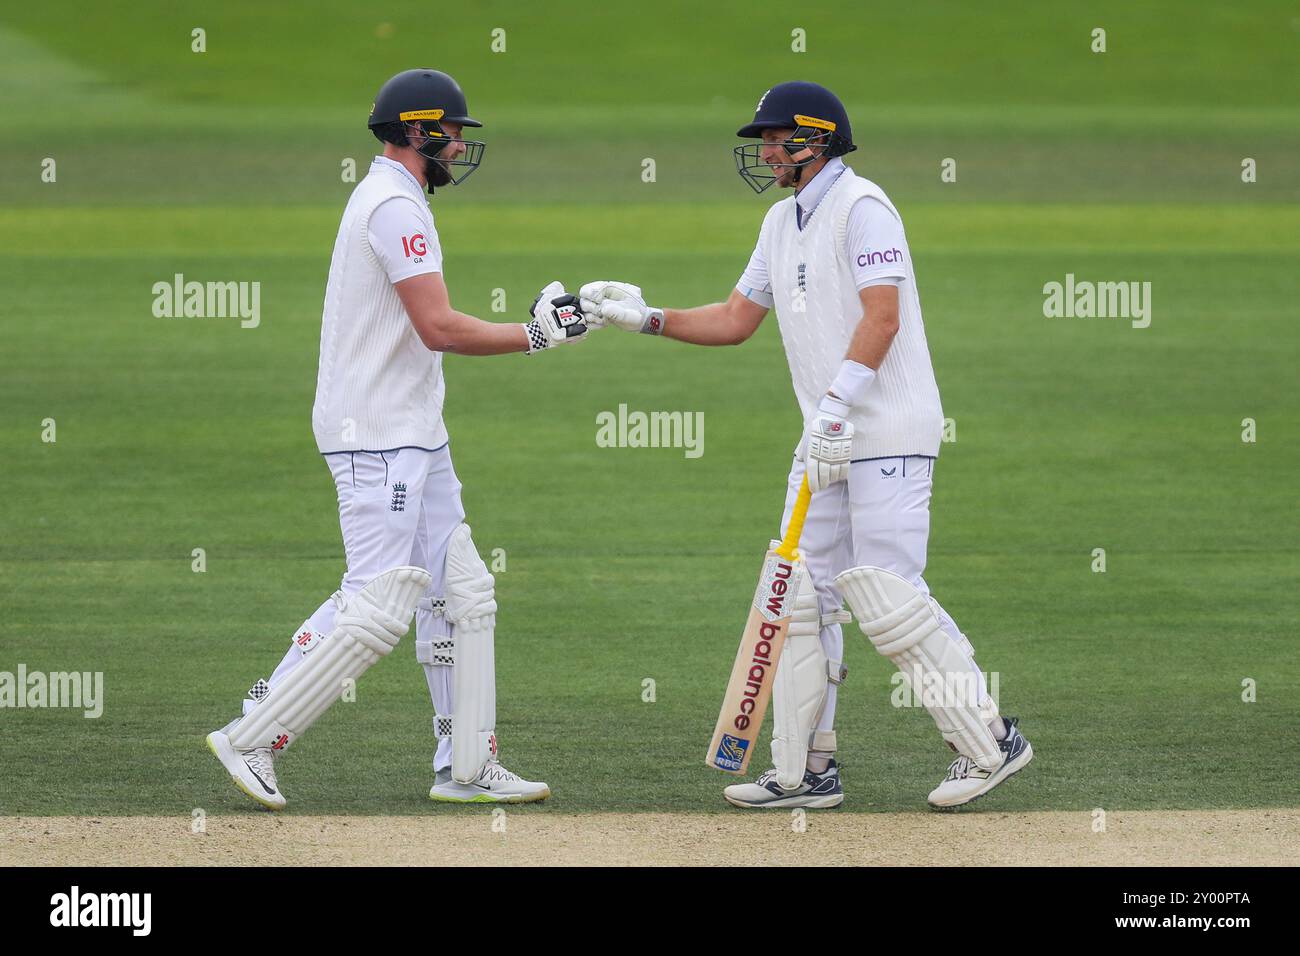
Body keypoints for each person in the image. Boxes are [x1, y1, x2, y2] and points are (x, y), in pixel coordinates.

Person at [580, 81, 1032, 809]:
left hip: (885, 431)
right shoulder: (778, 222)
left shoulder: (864, 208)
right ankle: (809, 771)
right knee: (796, 598)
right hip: (825, 438)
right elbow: (734, 318)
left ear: (814, 140)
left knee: (888, 597)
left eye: (772, 138)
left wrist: (834, 406)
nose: (762, 151)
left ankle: (990, 739)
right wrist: (644, 319)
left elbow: (881, 318)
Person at [206, 68, 587, 810]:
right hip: (377, 431)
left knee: (462, 590)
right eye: (450, 132)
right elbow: (438, 326)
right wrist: (534, 336)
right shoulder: (391, 205)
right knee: (379, 601)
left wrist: (539, 328)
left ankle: (468, 764)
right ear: (417, 131)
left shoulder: (398, 198)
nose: (457, 145)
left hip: (413, 431)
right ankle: (254, 732)